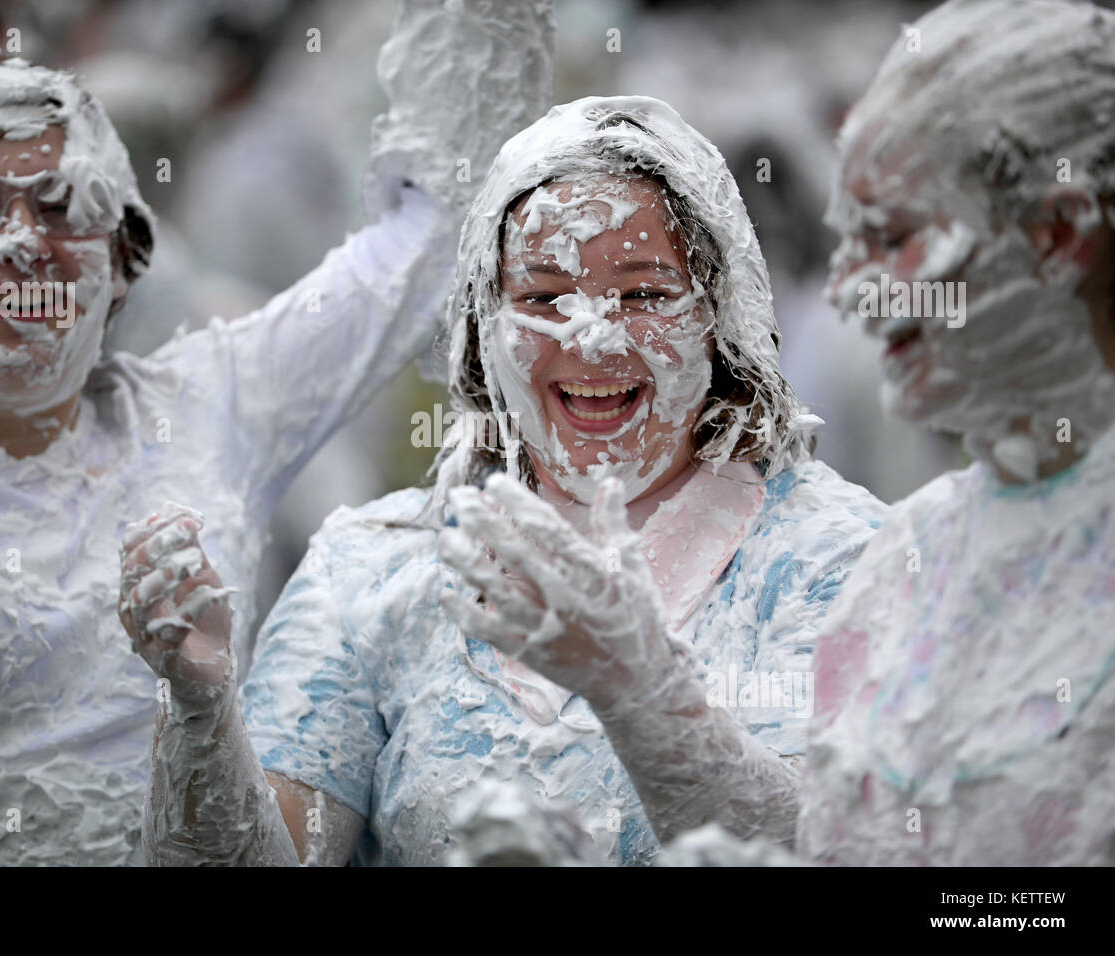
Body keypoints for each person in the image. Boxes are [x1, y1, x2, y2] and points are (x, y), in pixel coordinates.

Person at [0, 0, 557, 865]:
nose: (24, 242)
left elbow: (434, 234)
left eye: (62, 207)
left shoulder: (213, 404)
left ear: (125, 264)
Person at [121, 95, 886, 866]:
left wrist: (642, 694)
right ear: (484, 332)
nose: (592, 339)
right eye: (544, 297)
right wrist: (200, 711)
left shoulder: (842, 561)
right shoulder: (370, 570)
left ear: (719, 319)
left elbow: (850, 852)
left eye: (644, 293)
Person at [796, 0, 1115, 865]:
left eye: (891, 236)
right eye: (845, 241)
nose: (845, 289)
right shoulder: (903, 555)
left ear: (1059, 236)